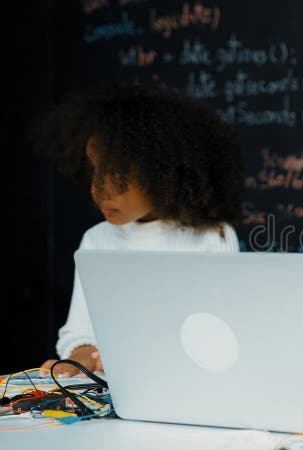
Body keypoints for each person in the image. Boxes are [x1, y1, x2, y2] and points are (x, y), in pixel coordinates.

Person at [37, 86, 243, 377]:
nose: (100, 188)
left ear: (163, 173)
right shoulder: (96, 241)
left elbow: (223, 335)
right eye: (95, 169)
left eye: (117, 173)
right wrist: (81, 357)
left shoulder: (212, 238)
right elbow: (80, 331)